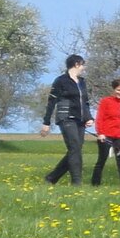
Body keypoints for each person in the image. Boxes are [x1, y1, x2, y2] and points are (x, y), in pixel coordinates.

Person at [40, 53, 89, 185]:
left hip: (80, 120)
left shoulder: (82, 82)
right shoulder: (61, 81)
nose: (84, 67)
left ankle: (51, 178)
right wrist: (46, 122)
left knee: (76, 149)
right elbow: (51, 102)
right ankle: (77, 183)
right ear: (76, 64)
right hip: (66, 118)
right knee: (75, 148)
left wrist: (89, 117)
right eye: (83, 64)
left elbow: (85, 102)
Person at [90, 77, 120, 187]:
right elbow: (99, 118)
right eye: (118, 90)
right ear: (113, 90)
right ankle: (95, 184)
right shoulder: (105, 101)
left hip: (119, 136)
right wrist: (100, 133)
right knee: (102, 160)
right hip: (106, 135)